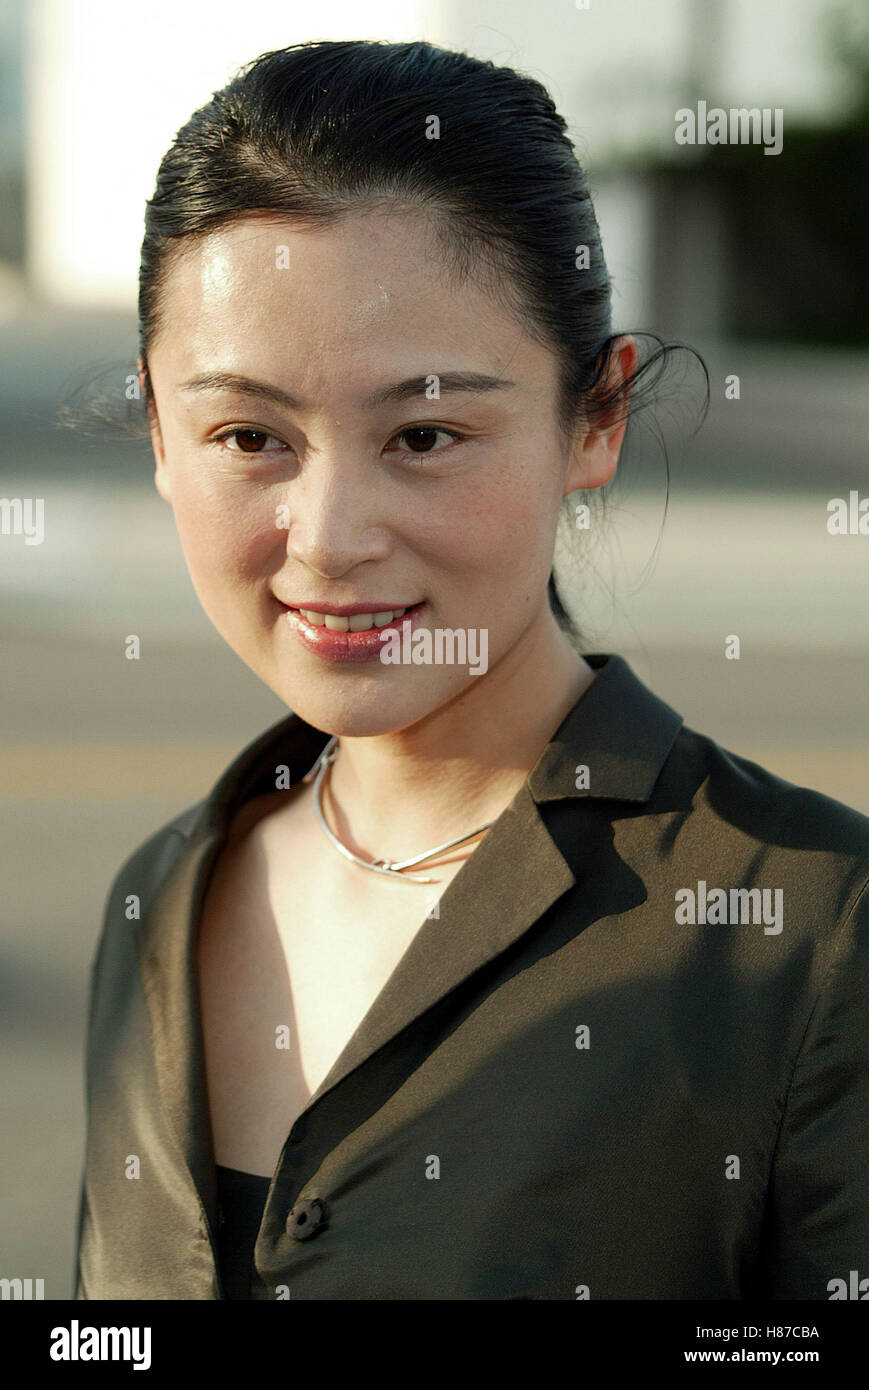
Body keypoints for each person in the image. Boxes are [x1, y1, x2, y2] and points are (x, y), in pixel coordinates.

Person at [73, 39, 869, 1300]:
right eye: (247, 434)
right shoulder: (164, 896)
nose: (329, 537)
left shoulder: (812, 931)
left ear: (593, 419)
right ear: (158, 430)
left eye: (426, 433)